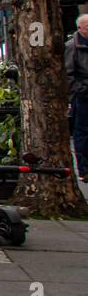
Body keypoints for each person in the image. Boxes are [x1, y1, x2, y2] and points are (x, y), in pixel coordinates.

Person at [65, 14, 88, 181]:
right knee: (83, 132)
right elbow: (68, 74)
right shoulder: (73, 46)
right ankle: (84, 169)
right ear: (80, 28)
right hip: (83, 97)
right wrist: (80, 90)